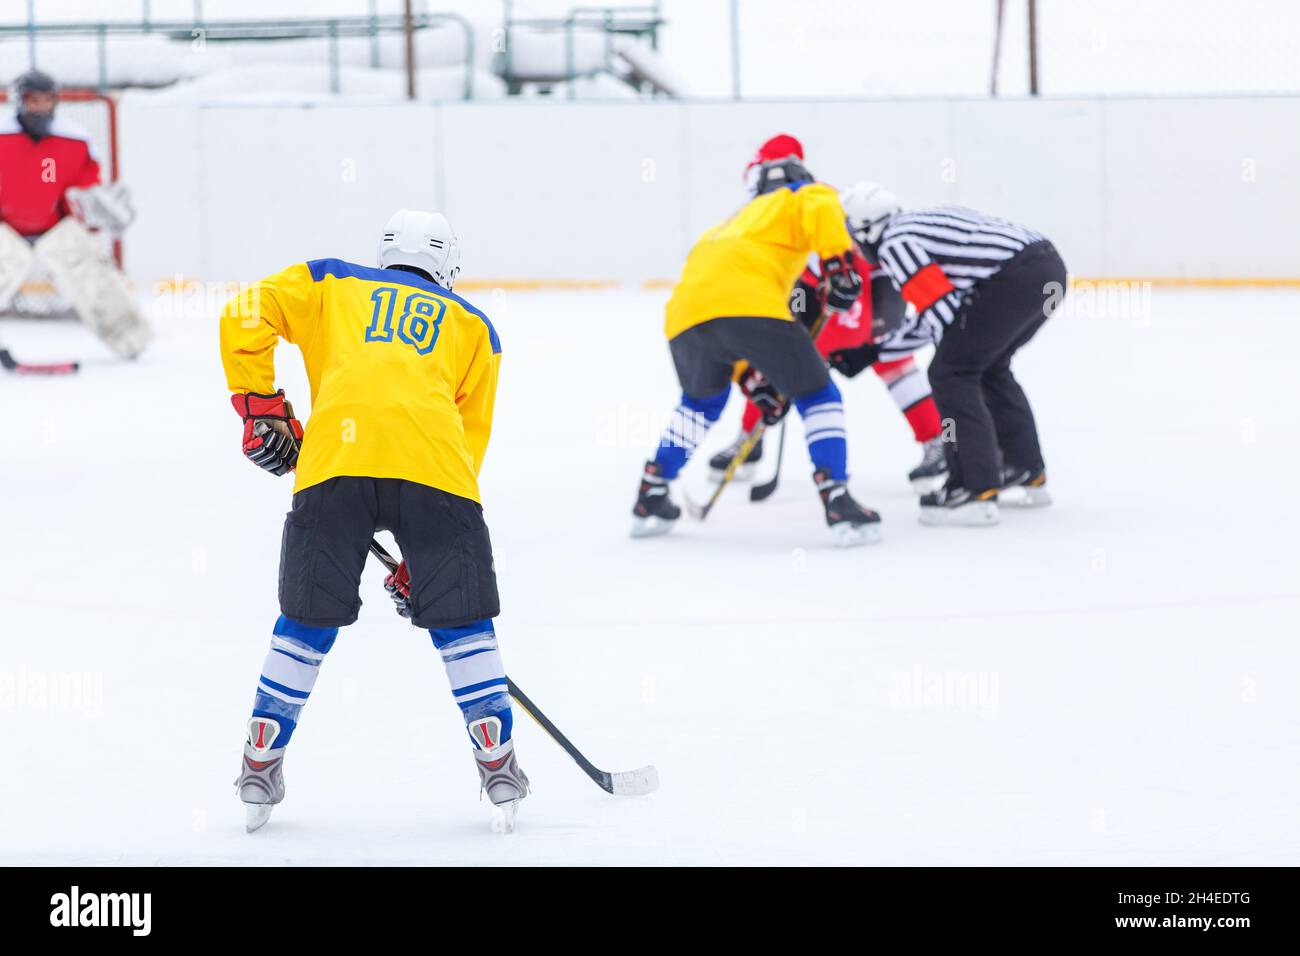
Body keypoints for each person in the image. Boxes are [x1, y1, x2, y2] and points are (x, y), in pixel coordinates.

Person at [218, 209, 529, 833]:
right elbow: (470, 442)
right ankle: (495, 753)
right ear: (447, 265)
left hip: (335, 468)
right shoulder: (475, 325)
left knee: (306, 618)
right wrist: (429, 565)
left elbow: (243, 312)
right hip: (436, 473)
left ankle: (262, 750)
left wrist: (260, 407)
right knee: (463, 619)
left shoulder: (330, 281)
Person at [631, 155, 881, 546]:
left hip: (684, 317)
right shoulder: (801, 195)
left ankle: (652, 491)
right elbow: (822, 203)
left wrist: (750, 377)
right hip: (750, 304)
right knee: (819, 394)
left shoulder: (729, 224)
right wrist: (839, 262)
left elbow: (720, 317)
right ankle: (837, 497)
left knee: (701, 404)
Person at [712, 138, 947, 492]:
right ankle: (937, 442)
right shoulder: (821, 195)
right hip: (874, 297)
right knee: (895, 363)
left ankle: (749, 442)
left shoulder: (791, 203)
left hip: (845, 301)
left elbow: (814, 267)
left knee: (777, 361)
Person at [830, 182, 1067, 526]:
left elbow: (941, 318)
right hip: (1048, 271)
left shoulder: (896, 243)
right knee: (989, 367)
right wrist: (875, 352)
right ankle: (1024, 468)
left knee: (950, 373)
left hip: (1016, 278)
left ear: (867, 229)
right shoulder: (917, 222)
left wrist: (870, 353)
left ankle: (972, 488)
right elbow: (946, 317)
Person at [0, 69, 147, 357]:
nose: (41, 106)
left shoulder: (75, 140)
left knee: (94, 279)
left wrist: (99, 209)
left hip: (56, 228)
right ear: (20, 100)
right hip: (6, 230)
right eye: (33, 99)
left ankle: (131, 340)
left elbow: (86, 186)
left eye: (47, 99)